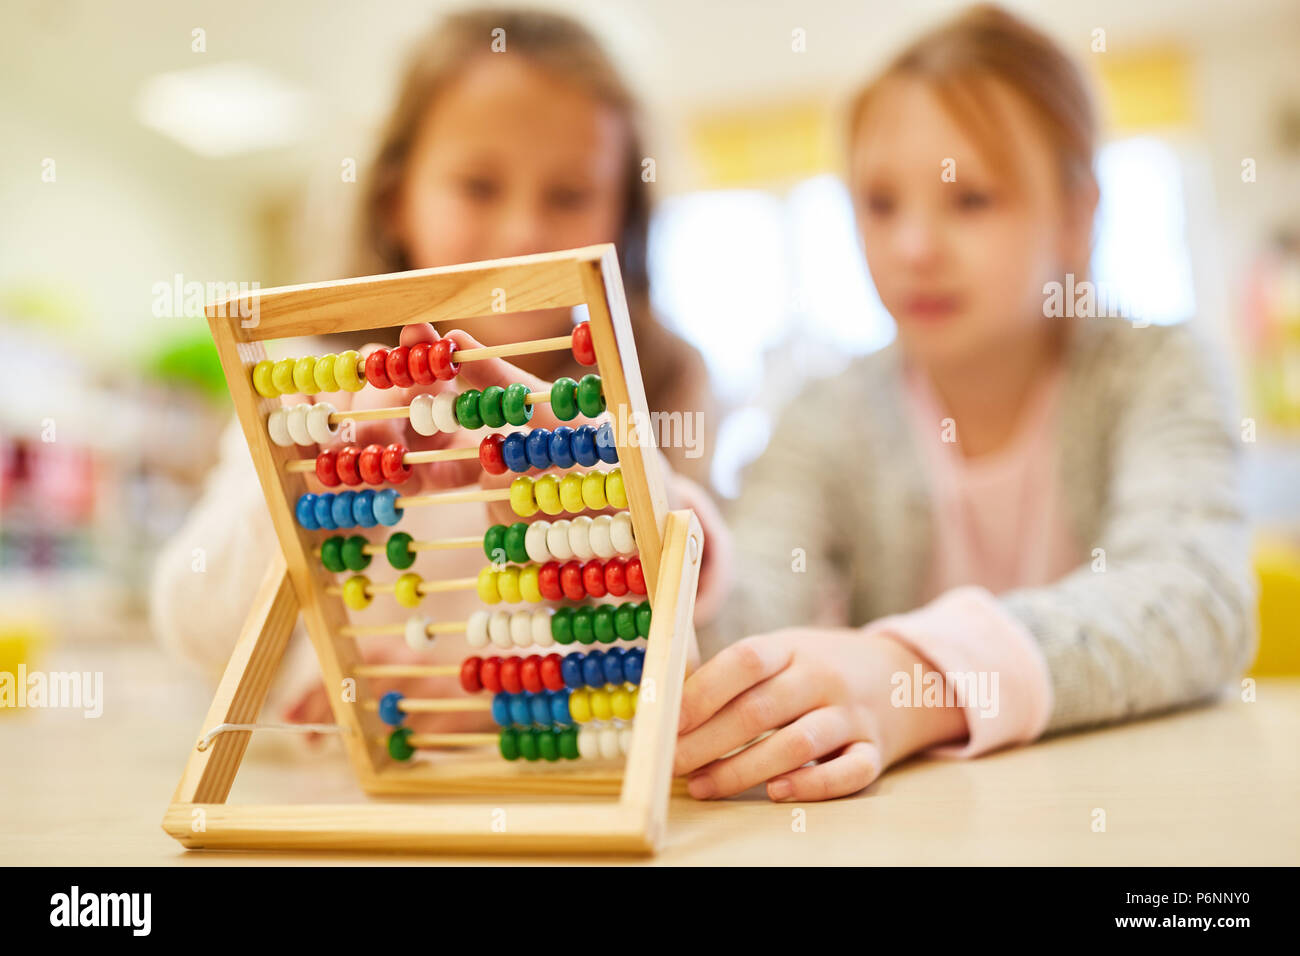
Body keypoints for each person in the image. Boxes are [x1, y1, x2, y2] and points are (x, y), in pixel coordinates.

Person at [677, 4, 1256, 803]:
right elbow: (743, 632)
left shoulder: (1156, 370)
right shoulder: (826, 415)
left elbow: (1194, 599)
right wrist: (686, 562)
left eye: (971, 199)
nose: (913, 247)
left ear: (1077, 216)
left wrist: (913, 677)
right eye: (880, 204)